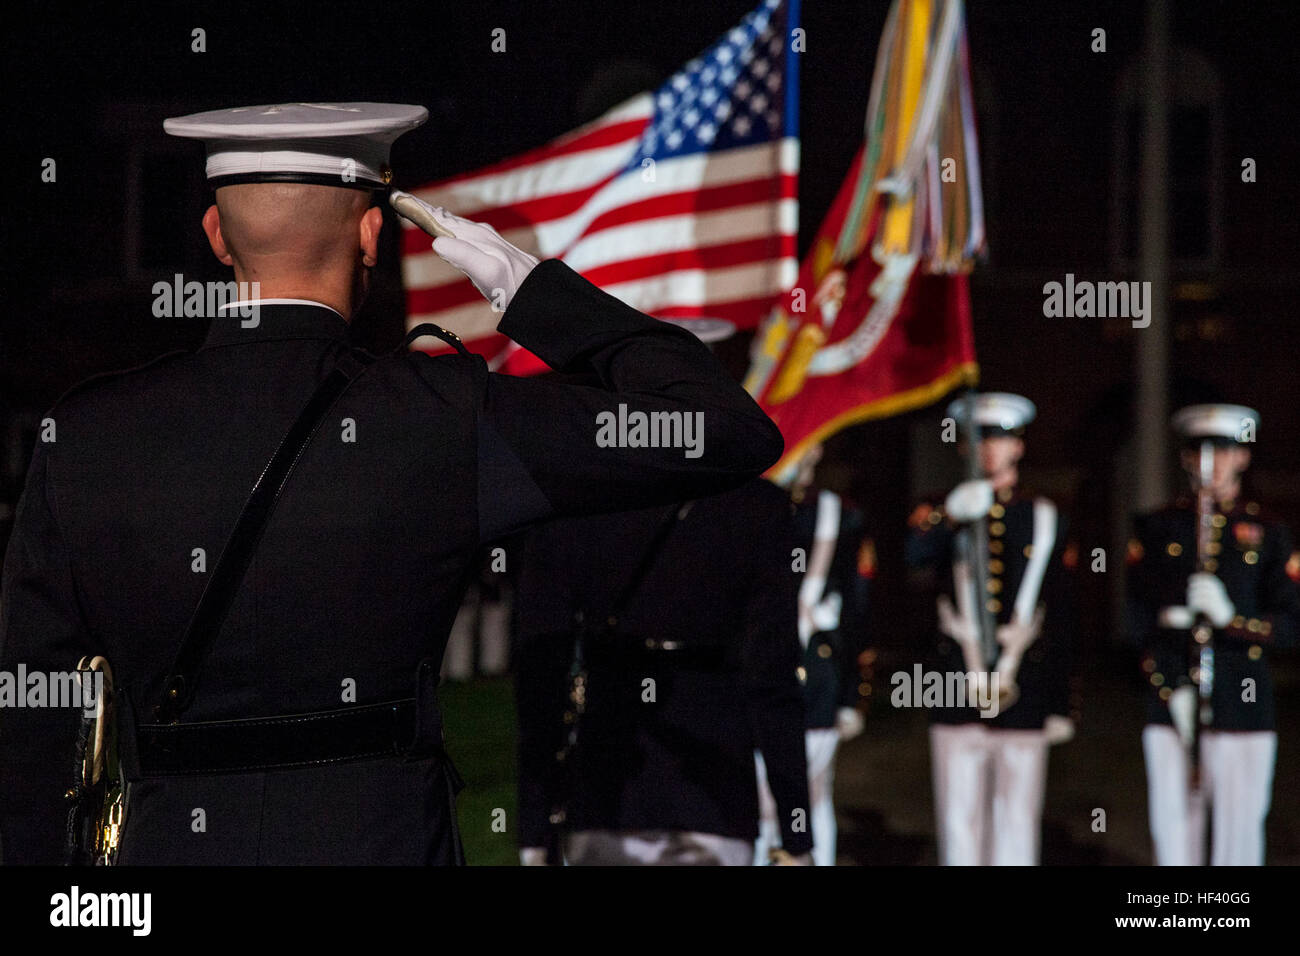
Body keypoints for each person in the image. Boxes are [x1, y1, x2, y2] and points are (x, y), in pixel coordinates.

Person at [0, 102, 783, 865]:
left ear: (215, 236)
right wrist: (532, 290)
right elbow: (727, 430)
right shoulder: (442, 416)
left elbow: (31, 715)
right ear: (372, 232)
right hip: (382, 836)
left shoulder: (87, 434)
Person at [514, 430, 811, 865]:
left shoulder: (576, 498)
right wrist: (796, 829)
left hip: (604, 779)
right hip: (714, 788)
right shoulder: (757, 505)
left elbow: (541, 677)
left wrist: (533, 829)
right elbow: (772, 680)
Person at [905, 392, 1075, 866]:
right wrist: (950, 517)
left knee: (1017, 821)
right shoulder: (938, 512)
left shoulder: (1044, 517)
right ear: (963, 447)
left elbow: (1061, 612)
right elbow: (912, 563)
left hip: (1026, 687)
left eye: (1000, 438)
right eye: (979, 439)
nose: (989, 449)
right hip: (955, 686)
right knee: (958, 821)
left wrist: (1062, 701)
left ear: (1019, 447)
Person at [1127, 403, 1299, 866]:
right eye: (1200, 450)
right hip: (1173, 699)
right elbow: (1138, 621)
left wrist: (1232, 619)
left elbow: (1290, 625)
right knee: (1173, 829)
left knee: (1239, 835)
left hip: (1242, 703)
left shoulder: (1270, 533)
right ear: (1185, 458)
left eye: (1224, 450)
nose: (1212, 462)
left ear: (1243, 457)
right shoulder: (1158, 528)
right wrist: (1169, 686)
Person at [754, 443, 872, 867]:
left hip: (816, 679)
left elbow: (856, 610)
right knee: (757, 799)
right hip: (756, 675)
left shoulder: (840, 516)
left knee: (813, 792)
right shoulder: (747, 509)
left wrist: (850, 695)